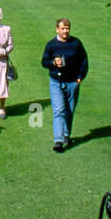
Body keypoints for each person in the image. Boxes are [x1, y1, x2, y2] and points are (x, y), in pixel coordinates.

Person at [41, 17, 88, 151]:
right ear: (57, 29)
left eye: (67, 28)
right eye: (62, 28)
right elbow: (44, 62)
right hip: (56, 82)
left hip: (73, 82)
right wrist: (53, 63)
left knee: (69, 111)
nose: (65, 31)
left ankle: (66, 135)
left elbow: (84, 61)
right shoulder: (51, 45)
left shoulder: (76, 43)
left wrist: (80, 78)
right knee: (59, 111)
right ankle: (58, 140)